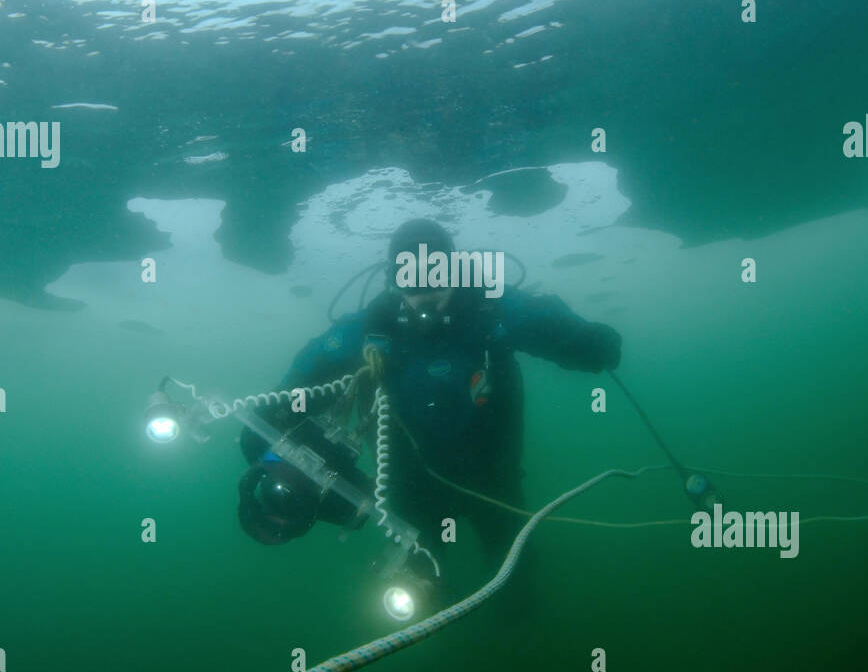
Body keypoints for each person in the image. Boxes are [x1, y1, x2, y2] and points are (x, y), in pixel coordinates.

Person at [237, 218, 623, 615]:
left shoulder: (491, 310)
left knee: (512, 563)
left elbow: (548, 322)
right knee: (419, 584)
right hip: (410, 485)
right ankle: (440, 623)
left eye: (436, 272)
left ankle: (517, 623)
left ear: (454, 270)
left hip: (494, 475)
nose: (426, 292)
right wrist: (267, 431)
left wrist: (589, 342)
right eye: (411, 277)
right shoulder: (369, 333)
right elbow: (297, 386)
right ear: (393, 279)